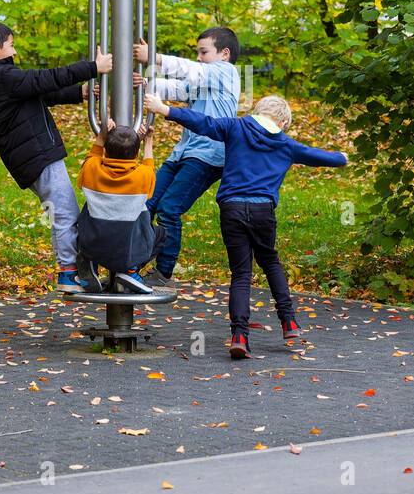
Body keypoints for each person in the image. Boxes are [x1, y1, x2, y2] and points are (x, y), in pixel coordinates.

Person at [143, 91, 347, 359]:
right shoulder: (285, 144)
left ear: (257, 111)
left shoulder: (235, 127)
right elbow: (316, 156)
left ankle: (239, 335)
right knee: (271, 262)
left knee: (241, 273)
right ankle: (289, 322)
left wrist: (165, 110)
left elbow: (203, 122)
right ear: (283, 122)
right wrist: (341, 157)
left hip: (232, 209)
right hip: (263, 211)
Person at [0, 21, 111, 289]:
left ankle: (74, 269)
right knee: (64, 213)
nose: (14, 50)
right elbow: (46, 78)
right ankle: (69, 273)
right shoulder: (3, 77)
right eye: (11, 45)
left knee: (62, 210)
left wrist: (80, 92)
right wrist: (92, 68)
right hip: (36, 153)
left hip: (27, 154)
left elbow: (39, 93)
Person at [131, 26, 240, 287]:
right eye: (197, 53)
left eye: (204, 52)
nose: (199, 57)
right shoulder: (205, 80)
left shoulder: (226, 72)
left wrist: (154, 57)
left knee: (169, 209)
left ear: (224, 53)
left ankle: (163, 272)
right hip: (184, 152)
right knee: (145, 204)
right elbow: (179, 88)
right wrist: (147, 83)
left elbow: (191, 70)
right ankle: (132, 264)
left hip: (208, 155)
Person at [74, 117, 164, 294]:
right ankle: (131, 270)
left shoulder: (91, 169)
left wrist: (102, 134)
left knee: (88, 212)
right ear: (136, 154)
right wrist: (148, 140)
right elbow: (148, 164)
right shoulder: (143, 176)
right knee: (161, 234)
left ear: (106, 151)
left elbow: (93, 155)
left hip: (92, 244)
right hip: (128, 248)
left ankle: (88, 261)